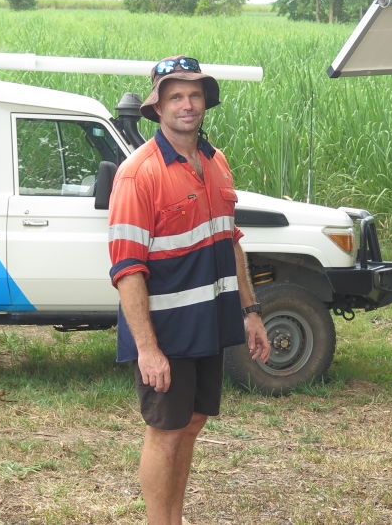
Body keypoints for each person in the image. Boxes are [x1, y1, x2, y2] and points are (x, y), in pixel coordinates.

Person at [108, 55, 270, 525]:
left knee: (192, 424)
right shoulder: (138, 173)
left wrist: (251, 309)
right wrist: (147, 348)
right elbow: (127, 268)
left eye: (195, 95)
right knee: (165, 431)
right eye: (175, 96)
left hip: (210, 322)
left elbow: (231, 240)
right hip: (167, 329)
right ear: (156, 107)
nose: (187, 104)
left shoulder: (216, 163)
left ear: (205, 103)